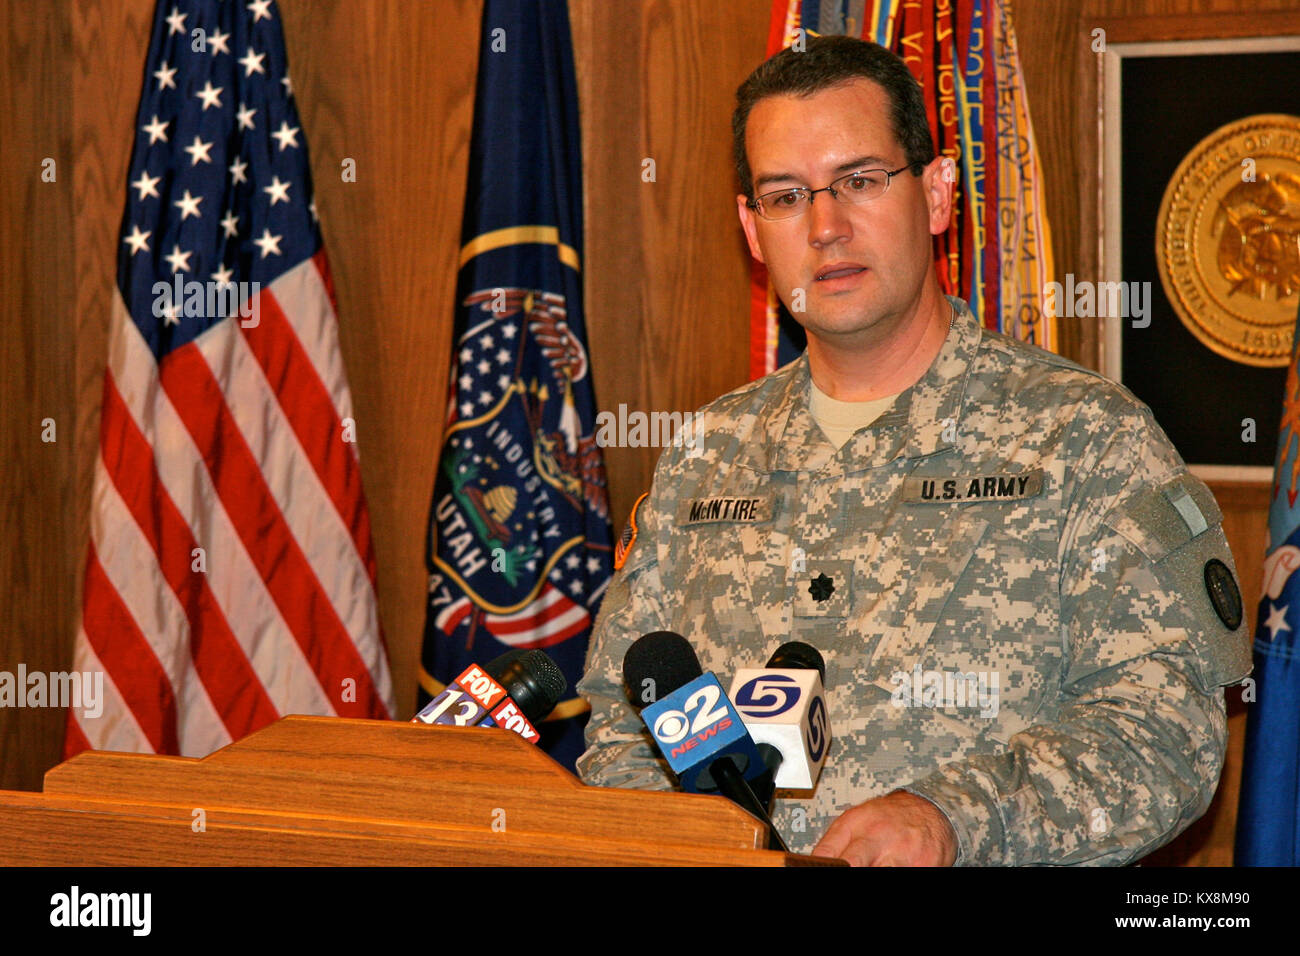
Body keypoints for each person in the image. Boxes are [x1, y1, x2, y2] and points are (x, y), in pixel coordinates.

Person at [575, 35, 1252, 866]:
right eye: (787, 197)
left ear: (936, 195)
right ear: (753, 230)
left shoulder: (1088, 439)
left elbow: (1167, 733)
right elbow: (622, 721)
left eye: (860, 181)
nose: (826, 227)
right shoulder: (704, 456)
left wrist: (952, 818)